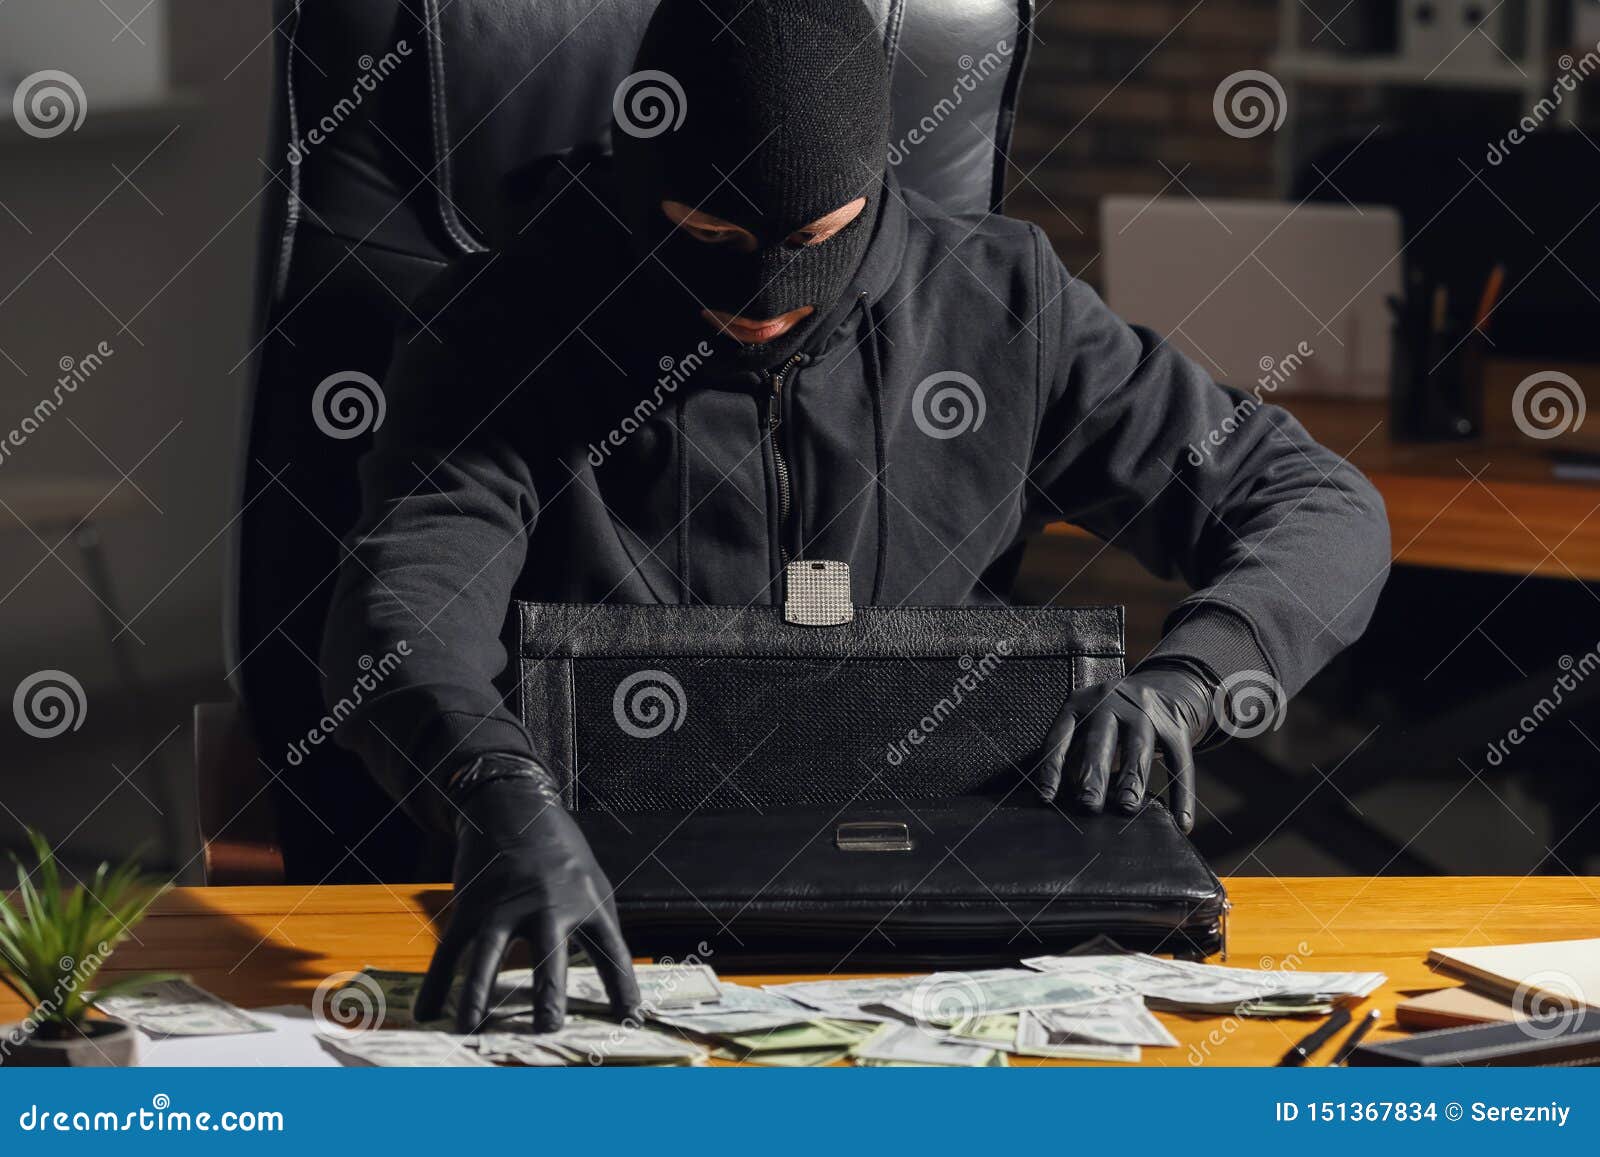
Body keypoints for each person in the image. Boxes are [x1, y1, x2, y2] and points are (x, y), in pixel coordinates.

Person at [320, 0, 1390, 1033]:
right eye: (713, 230)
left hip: (942, 940)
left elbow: (1317, 505)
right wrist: (495, 787)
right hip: (605, 922)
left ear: (877, 180)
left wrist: (1191, 679)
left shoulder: (1002, 304)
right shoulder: (501, 325)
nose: (770, 294)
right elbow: (402, 613)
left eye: (819, 235)